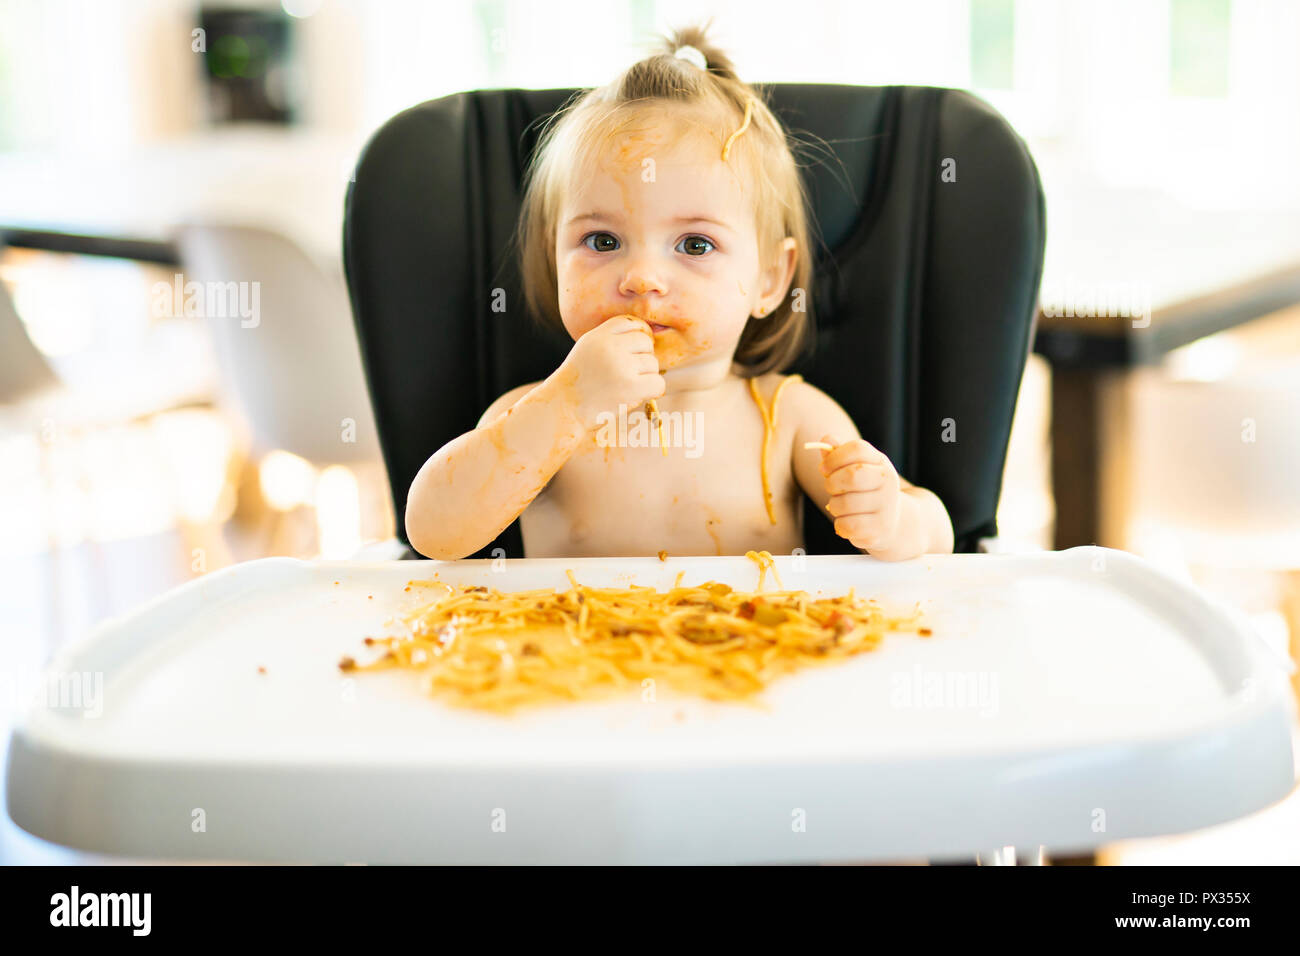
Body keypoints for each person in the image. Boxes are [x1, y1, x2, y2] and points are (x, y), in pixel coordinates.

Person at [406, 22, 954, 562]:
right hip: (567, 648)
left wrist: (894, 519)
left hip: (754, 647)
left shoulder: (789, 418)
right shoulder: (535, 416)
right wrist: (567, 403)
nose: (641, 277)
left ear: (768, 279)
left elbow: (937, 530)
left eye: (694, 245)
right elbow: (432, 532)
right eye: (602, 240)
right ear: (555, 260)